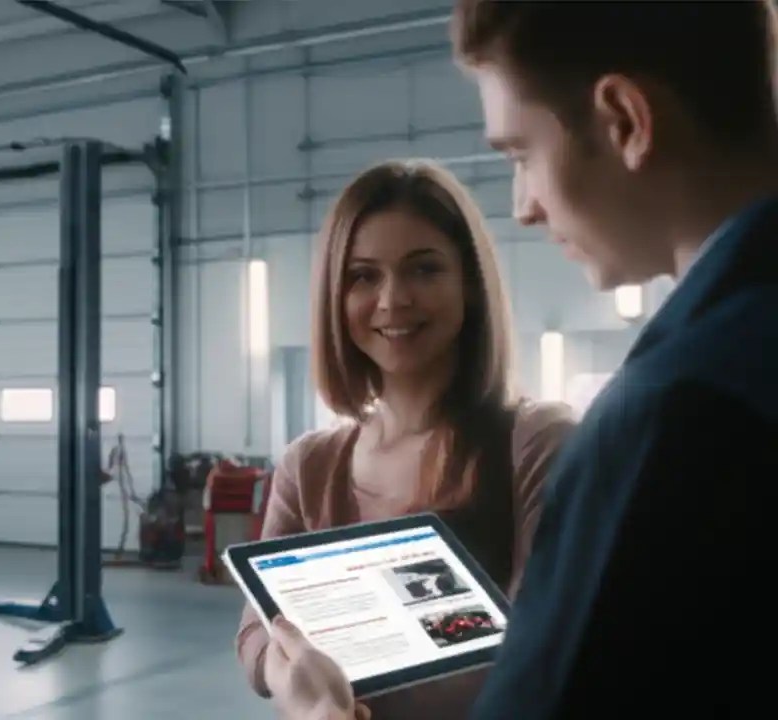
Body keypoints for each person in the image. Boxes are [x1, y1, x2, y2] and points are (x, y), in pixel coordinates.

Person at [261, 2, 778, 718]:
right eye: (361, 276)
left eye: (520, 155)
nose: (525, 207)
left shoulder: (676, 411)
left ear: (625, 120)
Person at [235, 158, 576, 719]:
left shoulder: (536, 446)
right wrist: (302, 693)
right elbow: (258, 629)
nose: (393, 299)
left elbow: (545, 654)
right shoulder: (309, 466)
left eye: (424, 269)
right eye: (364, 276)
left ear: (470, 284)